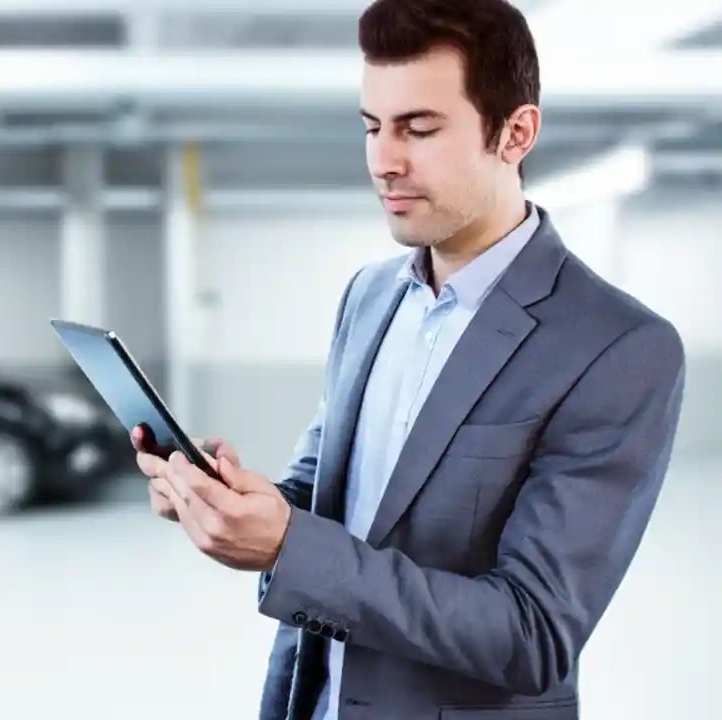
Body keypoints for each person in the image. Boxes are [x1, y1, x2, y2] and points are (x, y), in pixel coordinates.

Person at [131, 1, 687, 718]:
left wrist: (287, 546)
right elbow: (327, 492)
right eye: (372, 126)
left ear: (515, 133)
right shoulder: (368, 298)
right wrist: (230, 498)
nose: (382, 162)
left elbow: (534, 634)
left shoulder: (618, 348)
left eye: (419, 129)